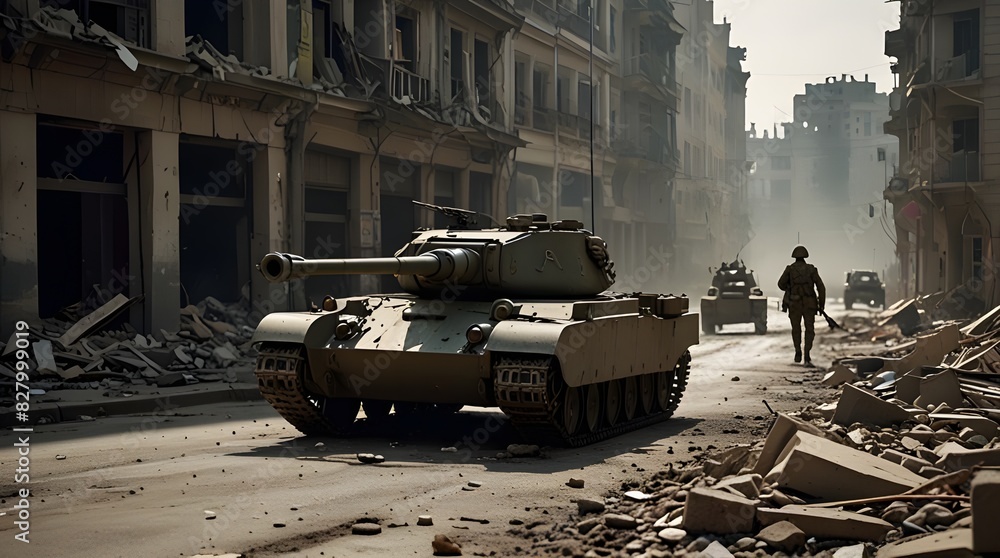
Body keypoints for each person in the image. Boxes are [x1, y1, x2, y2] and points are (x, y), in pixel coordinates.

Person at [778, 245, 825, 365]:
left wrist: (790, 286)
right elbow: (821, 287)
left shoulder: (790, 269)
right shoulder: (811, 269)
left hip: (794, 304)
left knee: (796, 329)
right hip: (809, 304)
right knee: (810, 329)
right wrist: (821, 305)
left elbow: (781, 284)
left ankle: (797, 351)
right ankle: (807, 354)